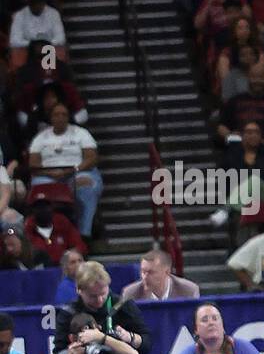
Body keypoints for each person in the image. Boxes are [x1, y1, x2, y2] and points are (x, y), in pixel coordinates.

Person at [54, 262, 152, 354]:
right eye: (93, 296)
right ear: (79, 290)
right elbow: (58, 353)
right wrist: (80, 350)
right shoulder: (69, 313)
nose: (99, 300)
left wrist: (130, 337)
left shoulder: (122, 306)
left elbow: (147, 344)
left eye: (103, 293)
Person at [27, 103, 102, 239]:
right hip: (48, 175)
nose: (60, 118)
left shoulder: (81, 133)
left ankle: (84, 234)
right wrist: (52, 174)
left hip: (77, 172)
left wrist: (73, 170)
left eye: (64, 114)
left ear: (68, 117)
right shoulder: (41, 138)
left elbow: (91, 158)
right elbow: (33, 164)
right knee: (39, 186)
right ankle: (43, 233)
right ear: (51, 117)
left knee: (86, 187)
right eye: (57, 114)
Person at [22, 191, 86, 263]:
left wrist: (71, 253)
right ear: (32, 210)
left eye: (46, 206)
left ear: (52, 208)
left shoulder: (62, 222)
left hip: (64, 267)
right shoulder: (28, 227)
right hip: (39, 269)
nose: (43, 210)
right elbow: (25, 252)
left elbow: (79, 245)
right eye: (39, 207)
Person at [120, 249, 201, 302]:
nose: (145, 277)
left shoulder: (188, 290)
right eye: (143, 271)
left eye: (151, 272)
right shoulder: (130, 294)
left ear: (167, 272)